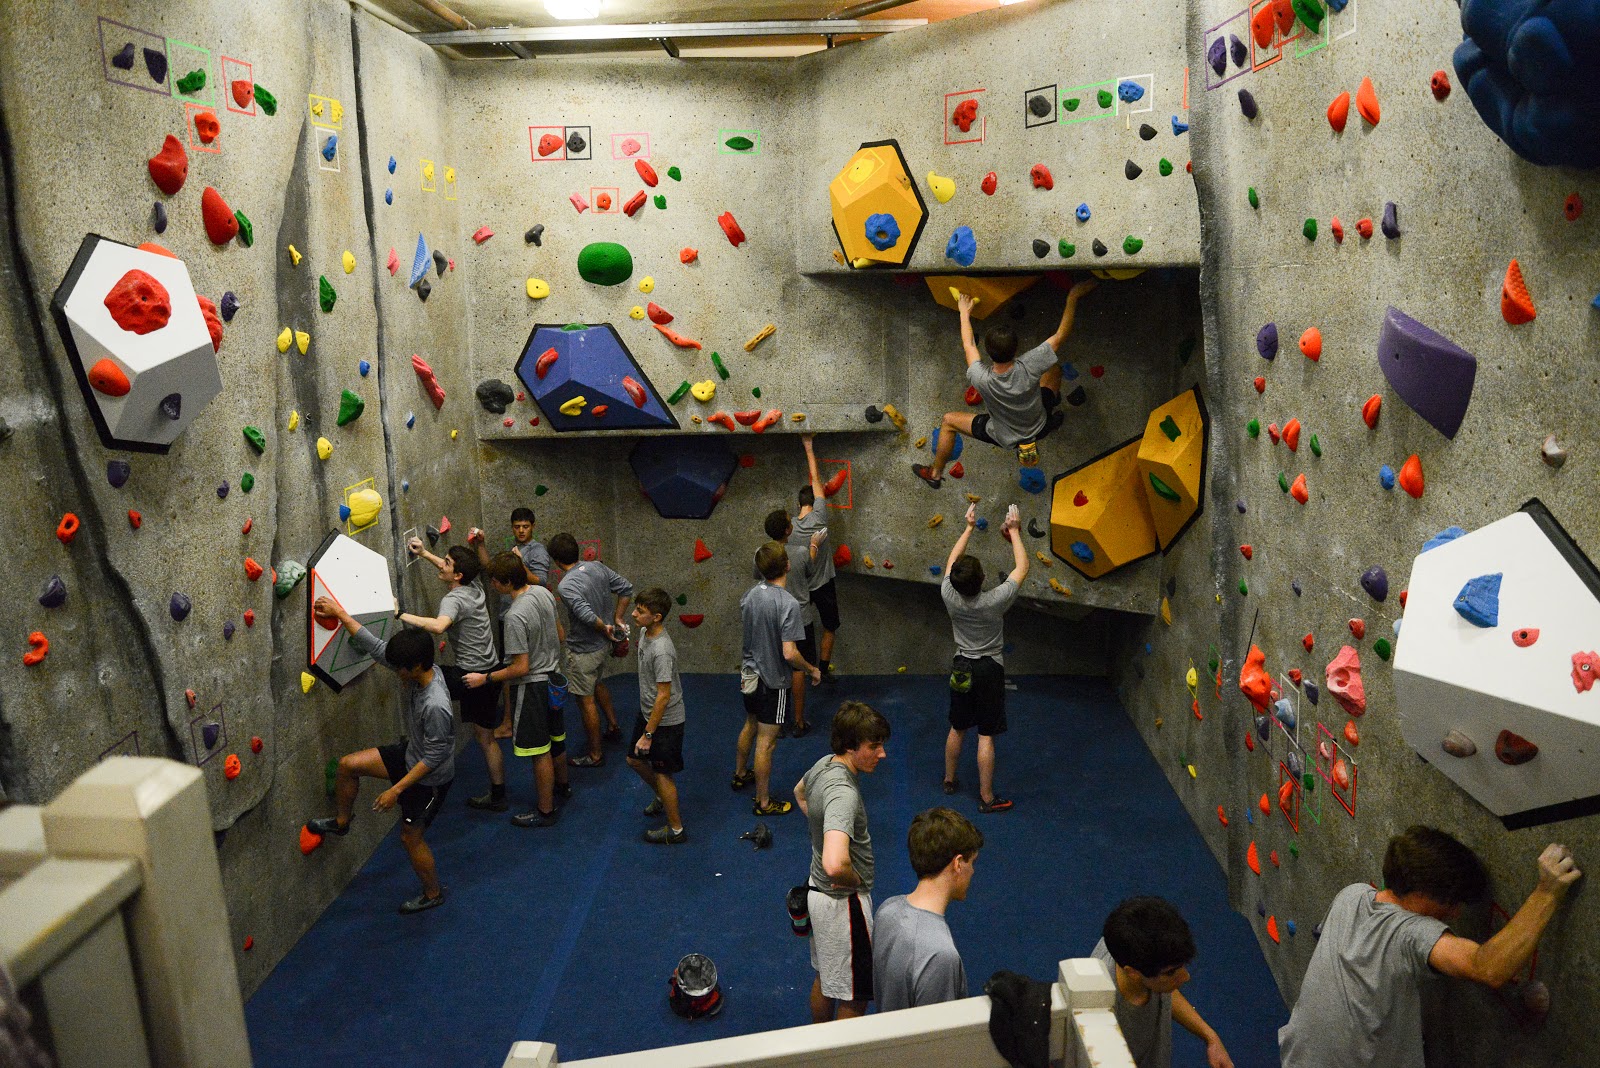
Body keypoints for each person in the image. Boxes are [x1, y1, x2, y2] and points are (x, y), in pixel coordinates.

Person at [1280, 828, 1581, 1068]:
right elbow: (1487, 968)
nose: (1456, 914)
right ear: (1427, 896)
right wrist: (1547, 892)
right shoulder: (1413, 934)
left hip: (1298, 1057)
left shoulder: (1353, 894)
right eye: (1453, 903)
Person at [304, 600, 454, 915]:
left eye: (400, 668)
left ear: (415, 668)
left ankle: (433, 892)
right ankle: (343, 822)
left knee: (409, 838)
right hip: (413, 755)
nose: (395, 671)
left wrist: (396, 789)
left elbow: (436, 756)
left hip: (429, 779)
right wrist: (341, 614)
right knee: (348, 765)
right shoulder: (418, 668)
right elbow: (377, 648)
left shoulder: (436, 704)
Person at [914, 279, 1096, 485]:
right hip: (1039, 423)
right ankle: (1051, 406)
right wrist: (1073, 297)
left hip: (1004, 436)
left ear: (989, 354)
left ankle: (936, 473)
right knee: (1054, 369)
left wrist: (964, 311)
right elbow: (1060, 335)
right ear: (1016, 349)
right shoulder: (1030, 364)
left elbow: (968, 343)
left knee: (948, 421)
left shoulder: (979, 377)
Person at [794, 701, 890, 1023]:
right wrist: (856, 881)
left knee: (825, 980)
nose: (882, 754)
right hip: (842, 904)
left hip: (816, 894)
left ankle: (820, 1051)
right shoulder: (843, 794)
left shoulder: (824, 764)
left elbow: (800, 792)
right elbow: (836, 864)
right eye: (873, 746)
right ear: (850, 746)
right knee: (855, 994)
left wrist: (823, 834)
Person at [400, 541, 505, 811]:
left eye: (446, 562)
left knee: (484, 738)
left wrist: (400, 614)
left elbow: (438, 626)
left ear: (458, 576)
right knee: (486, 737)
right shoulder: (474, 585)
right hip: (490, 671)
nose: (442, 564)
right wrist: (423, 554)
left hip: (473, 677)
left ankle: (496, 794)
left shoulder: (453, 599)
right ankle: (499, 792)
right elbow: (449, 569)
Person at [470, 552, 568, 828]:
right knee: (557, 739)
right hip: (554, 678)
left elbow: (520, 668)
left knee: (539, 751)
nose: (491, 585)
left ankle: (545, 811)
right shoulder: (543, 593)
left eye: (494, 581)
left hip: (533, 687)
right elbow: (560, 635)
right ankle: (562, 787)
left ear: (504, 583)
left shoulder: (514, 617)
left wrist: (486, 678)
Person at [941, 503, 1026, 813]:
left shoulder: (948, 594)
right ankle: (987, 798)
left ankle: (949, 780)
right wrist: (1015, 532)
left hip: (962, 666)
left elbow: (951, 561)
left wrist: (968, 528)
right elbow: (1022, 568)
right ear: (983, 579)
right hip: (989, 669)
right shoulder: (994, 600)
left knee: (957, 726)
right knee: (986, 735)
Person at [1091, 897, 1233, 1068]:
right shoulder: (1103, 1023)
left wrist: (1210, 1037)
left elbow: (1166, 989)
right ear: (1133, 973)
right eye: (1171, 972)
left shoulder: (1128, 949)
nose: (1186, 977)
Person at [733, 541, 822, 816]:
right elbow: (789, 653)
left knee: (750, 723)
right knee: (767, 742)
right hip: (772, 682)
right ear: (787, 565)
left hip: (748, 676)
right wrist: (811, 669)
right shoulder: (788, 604)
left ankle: (739, 774)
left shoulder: (749, 595)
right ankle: (762, 802)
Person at [872, 807, 983, 1012]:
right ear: (958, 863)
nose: (973, 871)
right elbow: (936, 1039)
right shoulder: (941, 955)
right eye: (972, 862)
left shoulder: (887, 909)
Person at [547, 532, 633, 767]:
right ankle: (613, 725)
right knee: (597, 683)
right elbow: (626, 588)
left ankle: (595, 755)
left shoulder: (565, 585)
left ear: (556, 560)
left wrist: (604, 626)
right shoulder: (597, 567)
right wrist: (617, 618)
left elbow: (584, 614)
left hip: (583, 651)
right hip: (603, 647)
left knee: (586, 702)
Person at [626, 588, 688, 844]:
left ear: (657, 617)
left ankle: (676, 830)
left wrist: (649, 734)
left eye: (640, 611)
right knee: (634, 760)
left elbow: (664, 695)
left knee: (663, 774)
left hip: (665, 721)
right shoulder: (644, 632)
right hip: (648, 713)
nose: (633, 614)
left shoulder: (662, 650)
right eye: (636, 608)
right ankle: (662, 796)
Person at [761, 504, 825, 738]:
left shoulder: (761, 553)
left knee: (776, 666)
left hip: (772, 614)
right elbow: (810, 570)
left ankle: (775, 722)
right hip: (799, 616)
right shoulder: (798, 552)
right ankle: (798, 721)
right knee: (798, 668)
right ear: (788, 530)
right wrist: (814, 548)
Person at [793, 435, 842, 684]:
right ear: (814, 501)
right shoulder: (820, 517)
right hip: (823, 584)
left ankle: (802, 668)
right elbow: (816, 479)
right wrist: (809, 447)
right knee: (830, 626)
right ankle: (820, 670)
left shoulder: (789, 529)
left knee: (799, 631)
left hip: (800, 588)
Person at [471, 506, 551, 587]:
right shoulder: (511, 548)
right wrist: (480, 543)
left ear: (533, 526)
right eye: (517, 527)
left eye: (525, 527)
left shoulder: (537, 550)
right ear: (512, 527)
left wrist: (519, 563)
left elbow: (540, 582)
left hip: (525, 598)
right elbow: (489, 567)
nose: (521, 531)